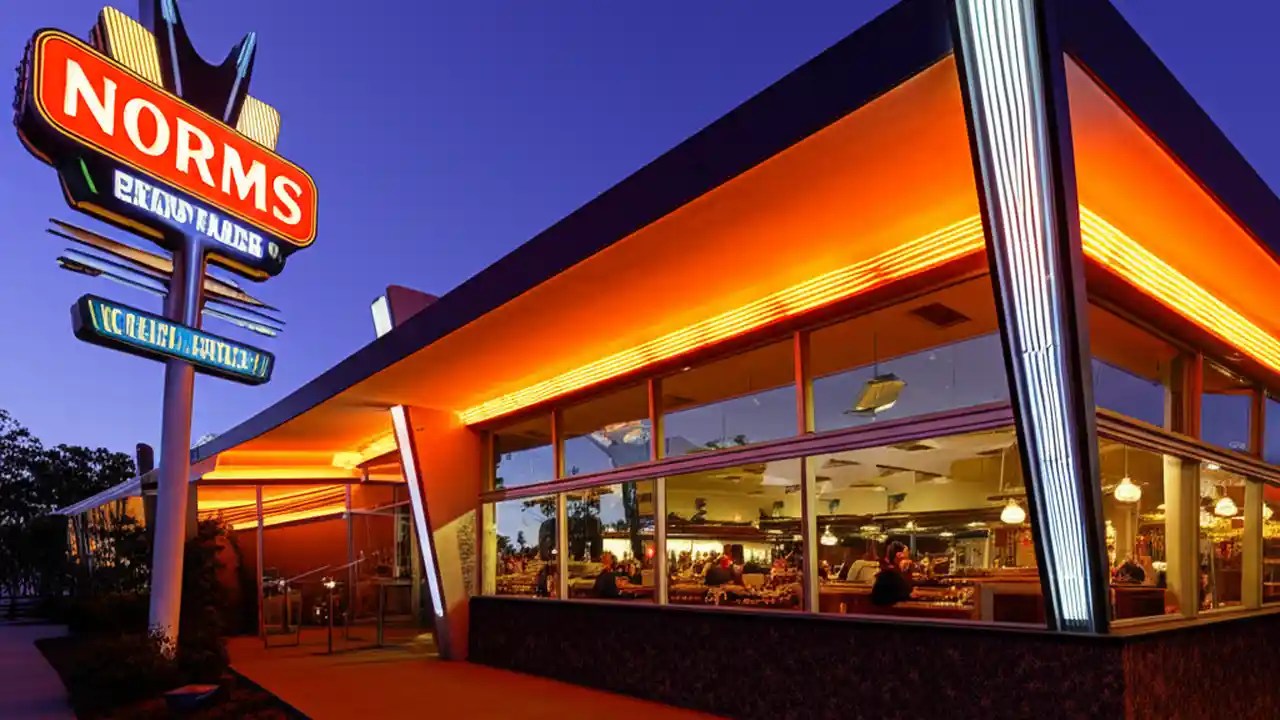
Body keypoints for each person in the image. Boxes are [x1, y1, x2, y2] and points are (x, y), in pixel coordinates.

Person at [871, 541, 914, 607]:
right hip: (891, 613)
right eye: (906, 552)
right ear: (899, 555)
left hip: (881, 612)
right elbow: (904, 595)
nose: (908, 556)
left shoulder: (886, 572)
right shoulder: (892, 575)